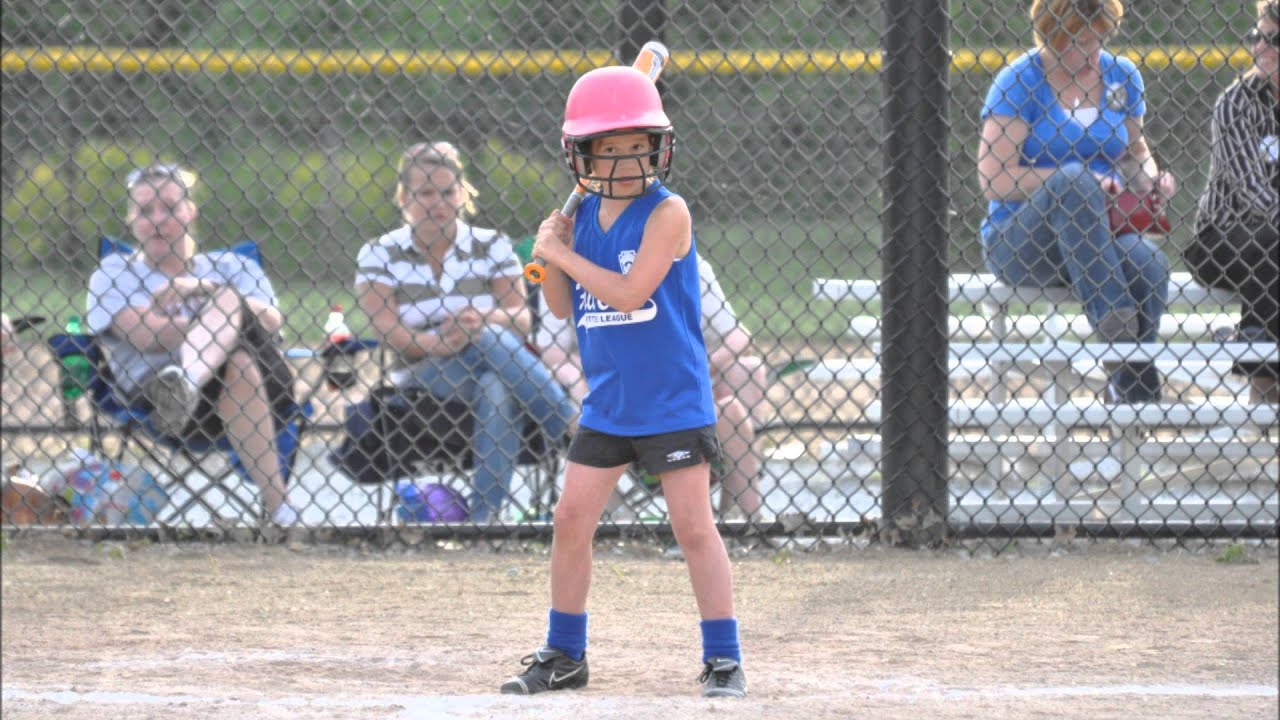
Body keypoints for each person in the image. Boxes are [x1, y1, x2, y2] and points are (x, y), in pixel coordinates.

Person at [501, 65, 747, 698]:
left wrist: (563, 255)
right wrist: (548, 248)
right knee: (570, 521)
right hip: (609, 403)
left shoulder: (669, 213)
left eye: (637, 146)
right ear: (581, 154)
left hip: (672, 401)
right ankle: (565, 652)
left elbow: (631, 293)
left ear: (658, 148)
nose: (625, 161)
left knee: (694, 529)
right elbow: (559, 303)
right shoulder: (580, 220)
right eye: (609, 149)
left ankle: (723, 656)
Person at [354, 141, 575, 523]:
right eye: (425, 193)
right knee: (490, 344)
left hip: (494, 368)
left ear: (461, 194)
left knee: (495, 382)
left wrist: (480, 317)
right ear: (404, 197)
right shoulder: (378, 253)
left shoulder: (491, 245)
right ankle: (568, 425)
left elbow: (521, 318)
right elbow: (387, 329)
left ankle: (482, 519)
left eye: (447, 191)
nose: (437, 202)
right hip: (425, 377)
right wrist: (437, 342)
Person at [976, 0, 1176, 403]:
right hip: (1025, 243)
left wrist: (1152, 183)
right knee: (1073, 180)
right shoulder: (1019, 81)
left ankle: (1127, 387)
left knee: (1149, 264)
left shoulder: (1122, 77)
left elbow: (1133, 153)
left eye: (1098, 40)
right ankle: (1118, 333)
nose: (1091, 53)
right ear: (1049, 36)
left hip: (1101, 239)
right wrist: (1082, 182)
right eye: (1078, 42)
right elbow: (993, 180)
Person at [85, 163, 299, 527]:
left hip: (267, 392)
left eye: (169, 207)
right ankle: (280, 507)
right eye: (144, 210)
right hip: (159, 403)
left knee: (230, 303)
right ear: (130, 218)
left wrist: (202, 288)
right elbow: (145, 334)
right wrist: (224, 319)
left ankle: (185, 380)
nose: (157, 220)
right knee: (239, 360)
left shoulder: (231, 265)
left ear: (190, 211)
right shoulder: (114, 271)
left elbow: (271, 321)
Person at [537, 255, 767, 519]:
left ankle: (742, 513)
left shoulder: (683, 260)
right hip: (608, 393)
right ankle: (617, 516)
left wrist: (698, 367)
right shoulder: (566, 261)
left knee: (744, 377)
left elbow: (738, 334)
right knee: (566, 378)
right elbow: (551, 352)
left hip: (684, 388)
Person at [1186, 1, 1279, 404]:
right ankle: (1263, 385)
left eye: (1274, 40)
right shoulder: (1237, 103)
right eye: (1256, 36)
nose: (1260, 47)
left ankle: (1252, 339)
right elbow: (1253, 191)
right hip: (1221, 238)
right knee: (1272, 241)